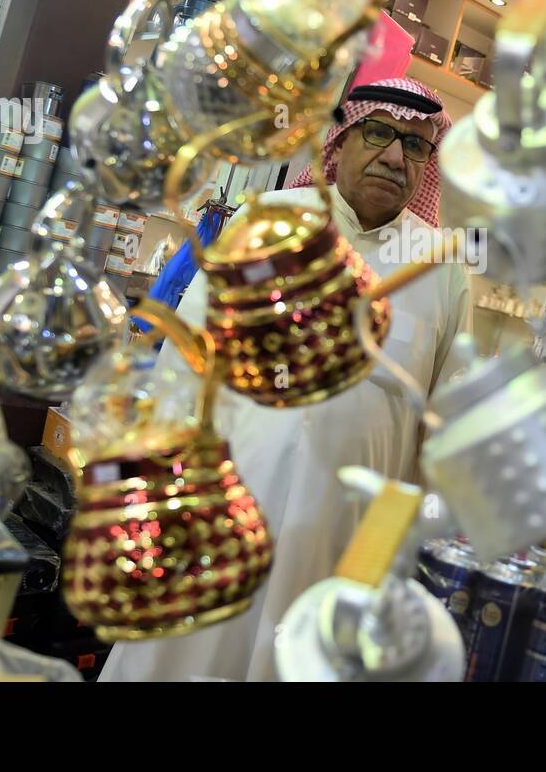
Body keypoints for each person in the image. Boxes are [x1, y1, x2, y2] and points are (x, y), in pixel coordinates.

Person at [99, 77, 472, 682]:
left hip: (342, 548)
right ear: (341, 138)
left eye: (414, 145)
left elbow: (444, 432)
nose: (394, 156)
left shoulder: (444, 269)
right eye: (378, 133)